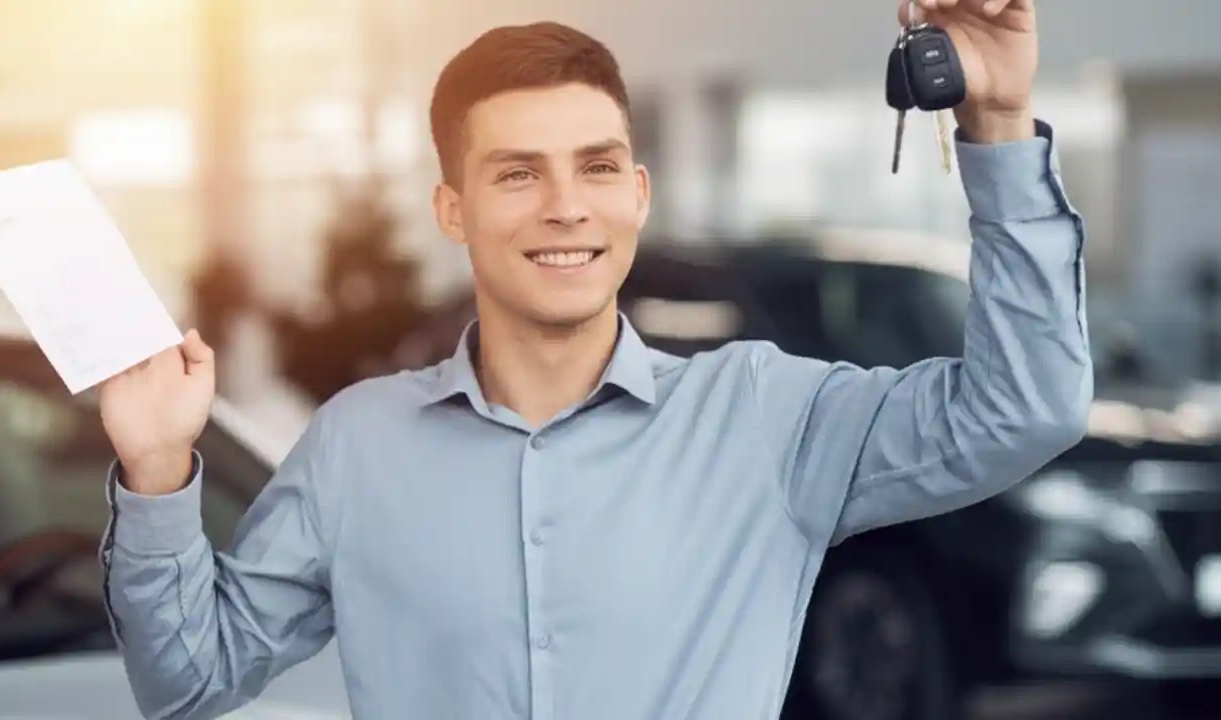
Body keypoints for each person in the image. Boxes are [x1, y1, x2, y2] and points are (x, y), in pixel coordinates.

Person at [97, 1, 1092, 717]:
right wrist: (154, 476)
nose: (566, 206)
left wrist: (995, 121)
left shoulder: (763, 416)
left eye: (596, 167)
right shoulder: (357, 446)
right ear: (453, 211)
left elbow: (1024, 410)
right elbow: (189, 683)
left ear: (637, 194)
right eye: (517, 174)